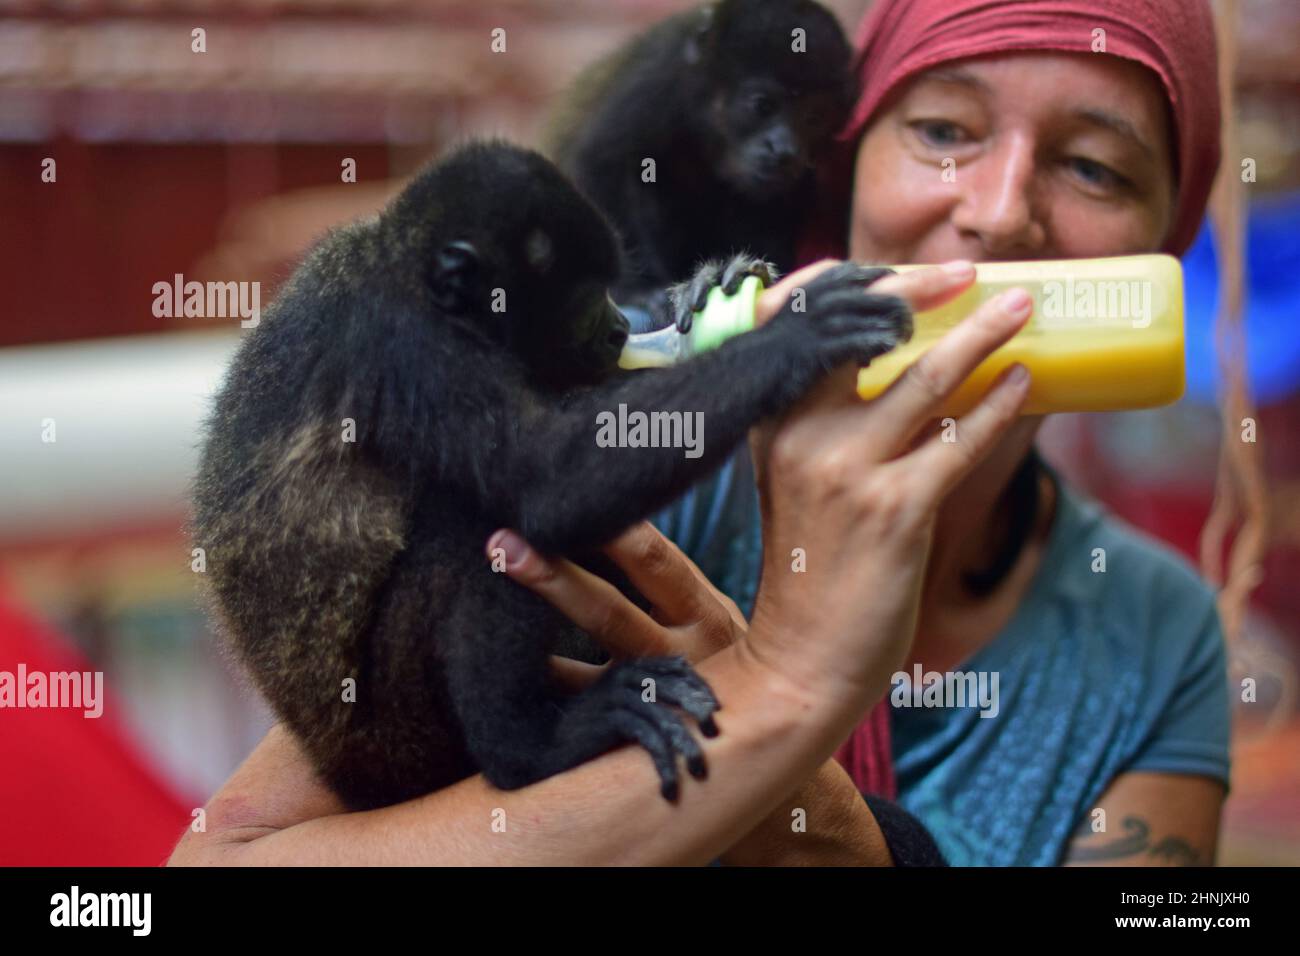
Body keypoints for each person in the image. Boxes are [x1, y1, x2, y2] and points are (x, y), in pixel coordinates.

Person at [170, 0, 1229, 867]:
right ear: (846, 174)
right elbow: (217, 865)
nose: (1001, 214)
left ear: (1165, 239)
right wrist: (784, 697)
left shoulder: (1158, 635)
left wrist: (838, 833)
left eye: (1093, 165)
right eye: (944, 132)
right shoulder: (652, 479)